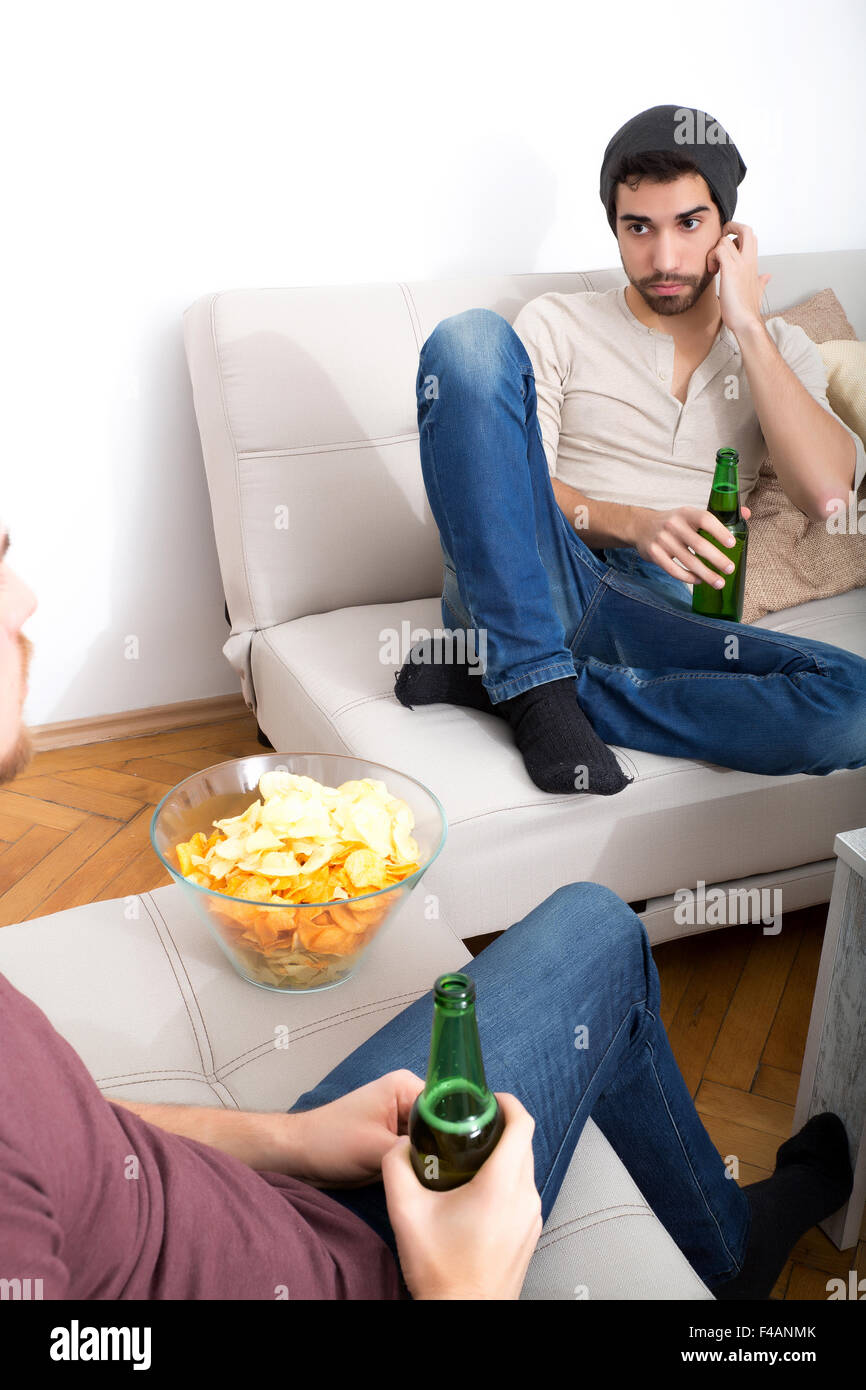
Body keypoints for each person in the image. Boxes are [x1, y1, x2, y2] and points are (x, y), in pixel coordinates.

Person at [0, 521, 854, 1299]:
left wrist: (284, 1142)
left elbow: (65, 1130)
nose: (26, 598)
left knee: (595, 924)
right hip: (361, 1272)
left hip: (269, 1189)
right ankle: (733, 1258)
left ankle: (530, 685)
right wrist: (463, 1289)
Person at [393, 104, 866, 796]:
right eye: (638, 228)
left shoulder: (779, 351)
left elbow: (828, 496)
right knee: (467, 341)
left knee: (852, 703)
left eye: (690, 225)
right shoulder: (558, 323)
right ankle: (532, 675)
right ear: (615, 227)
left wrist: (747, 326)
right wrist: (632, 522)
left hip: (653, 614)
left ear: (729, 232)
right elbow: (501, 491)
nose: (664, 258)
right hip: (534, 576)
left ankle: (511, 683)